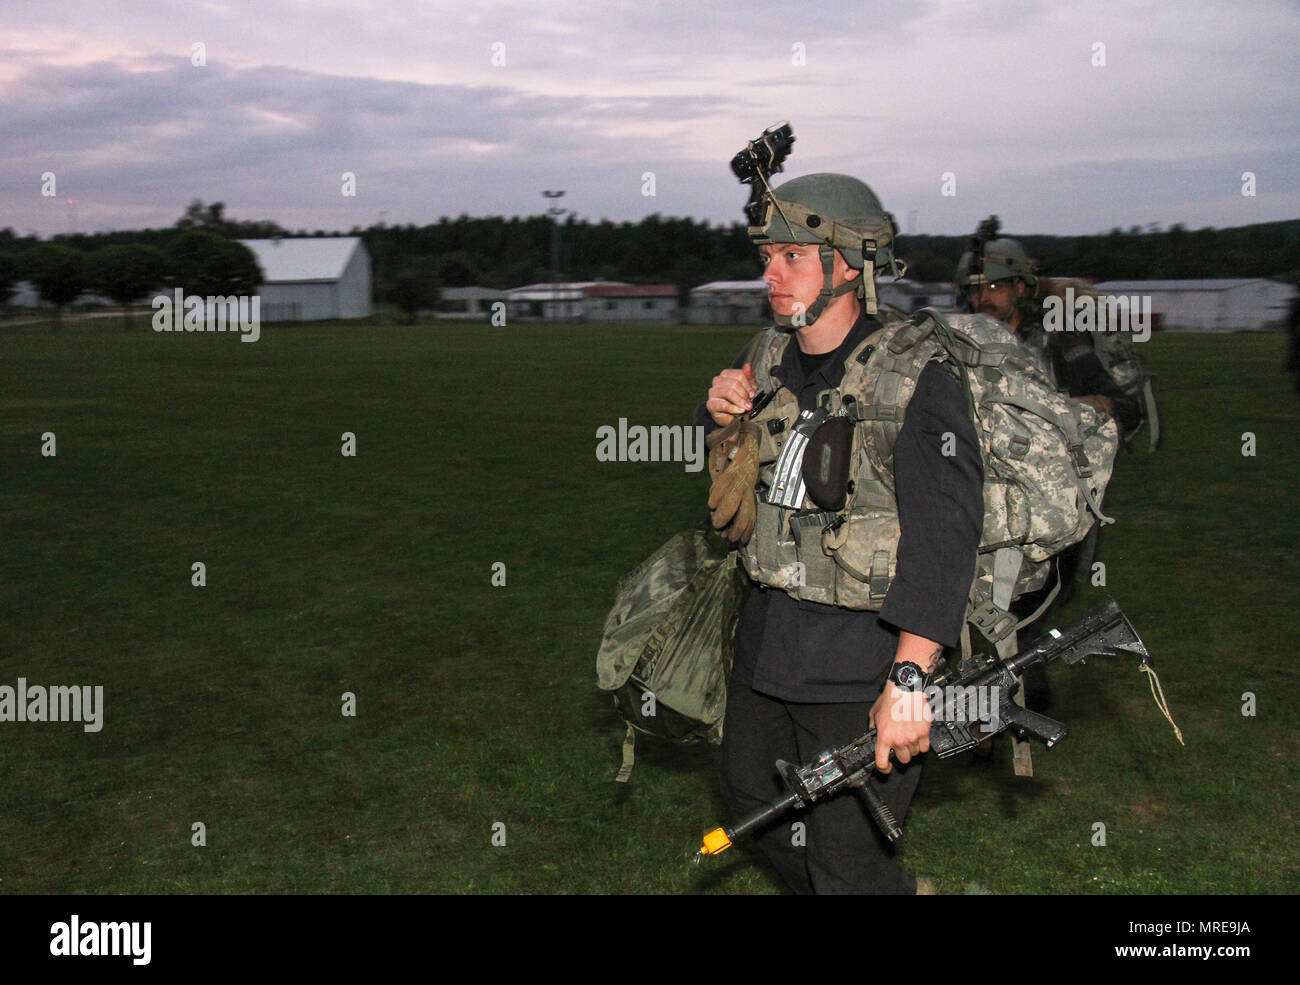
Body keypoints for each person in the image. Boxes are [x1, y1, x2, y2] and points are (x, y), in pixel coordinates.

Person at [696, 173, 984, 894]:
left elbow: (946, 536)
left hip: (862, 657)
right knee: (750, 810)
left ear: (848, 263)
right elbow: (749, 481)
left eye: (792, 256)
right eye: (767, 256)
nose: (771, 274)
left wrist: (910, 679)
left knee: (846, 861)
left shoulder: (916, 376)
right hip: (768, 641)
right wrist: (719, 419)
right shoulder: (765, 357)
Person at [954, 236, 1135, 706]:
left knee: (1034, 600)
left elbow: (1122, 408)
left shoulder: (1060, 341)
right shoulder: (961, 341)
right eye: (974, 290)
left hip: (1053, 499)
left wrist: (1058, 413)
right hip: (986, 493)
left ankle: (1013, 697)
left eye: (995, 286)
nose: (983, 299)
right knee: (986, 600)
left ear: (1022, 287)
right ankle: (995, 703)